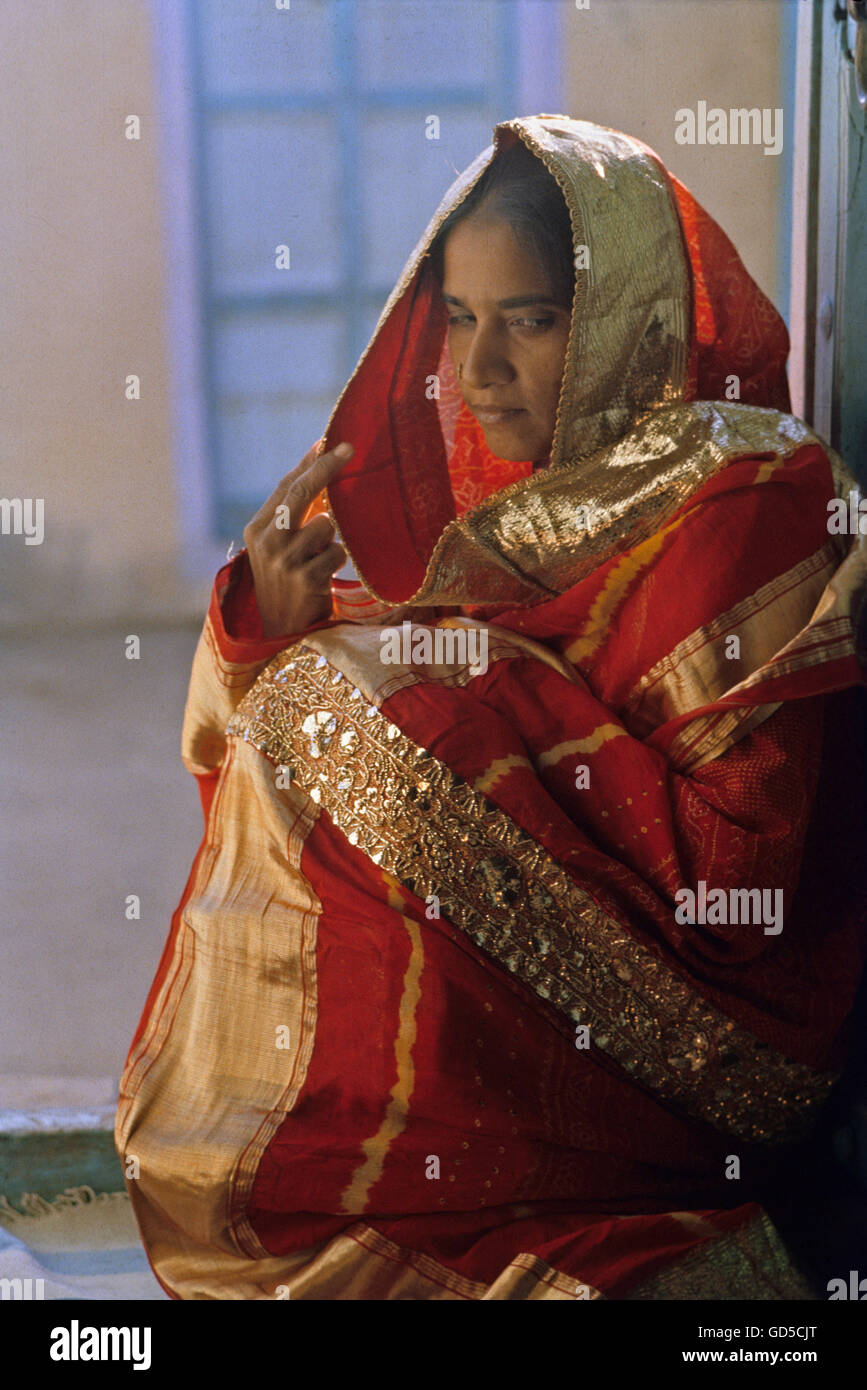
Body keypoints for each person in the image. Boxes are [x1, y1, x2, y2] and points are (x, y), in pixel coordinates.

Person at [116, 116, 867, 1300]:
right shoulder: (505, 491)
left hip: (727, 1030)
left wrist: (458, 695)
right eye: (460, 319)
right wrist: (269, 613)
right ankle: (369, 1168)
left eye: (533, 318)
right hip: (579, 961)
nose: (479, 369)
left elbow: (740, 876)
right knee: (317, 688)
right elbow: (279, 723)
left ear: (632, 318)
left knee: (354, 702)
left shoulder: (750, 490)